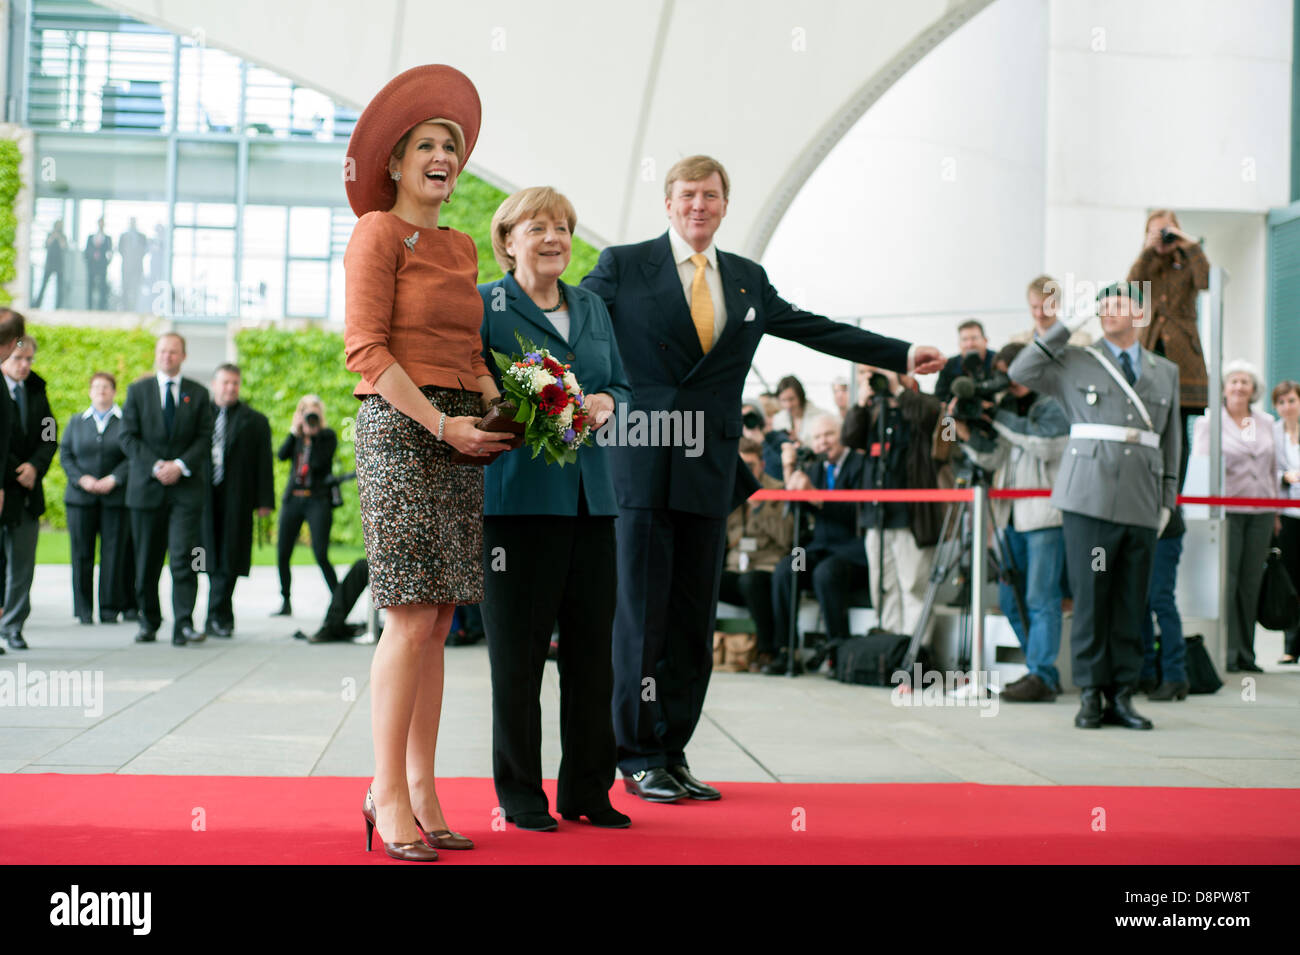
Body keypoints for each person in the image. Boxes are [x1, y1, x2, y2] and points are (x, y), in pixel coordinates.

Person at [582, 153, 943, 802]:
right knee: (643, 614)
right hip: (639, 459)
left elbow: (813, 329)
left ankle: (672, 746)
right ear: (667, 203)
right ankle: (634, 753)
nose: (699, 205)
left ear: (724, 206)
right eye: (688, 194)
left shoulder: (747, 279)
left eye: (712, 195)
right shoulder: (623, 265)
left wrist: (898, 356)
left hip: (707, 466)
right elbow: (575, 322)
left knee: (695, 617)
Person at [343, 63, 512, 861]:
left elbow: (468, 349)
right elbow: (367, 351)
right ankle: (385, 791)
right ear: (396, 163)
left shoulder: (461, 243)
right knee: (409, 614)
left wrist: (501, 398)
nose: (443, 154)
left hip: (458, 433)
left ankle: (423, 789)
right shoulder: (378, 232)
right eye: (426, 145)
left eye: (451, 145)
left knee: (439, 622)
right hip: (401, 431)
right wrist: (445, 425)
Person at [478, 185, 632, 832]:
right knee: (517, 658)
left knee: (595, 656)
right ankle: (520, 795)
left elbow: (619, 381)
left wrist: (606, 403)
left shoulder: (593, 305)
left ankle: (590, 790)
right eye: (538, 226)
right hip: (518, 504)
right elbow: (467, 382)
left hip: (593, 501)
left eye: (564, 227)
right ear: (508, 238)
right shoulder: (486, 305)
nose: (554, 238)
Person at [1008, 282, 1180, 731]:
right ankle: (1089, 693)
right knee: (1090, 598)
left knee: (1130, 601)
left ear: (1140, 314)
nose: (1108, 310)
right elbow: (1023, 368)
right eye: (1103, 304)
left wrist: (1167, 500)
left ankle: (1122, 694)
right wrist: (1067, 323)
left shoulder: (1165, 371)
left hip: (1142, 501)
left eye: (1119, 303)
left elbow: (1171, 443)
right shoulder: (1076, 359)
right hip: (1088, 497)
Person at [955, 343, 1070, 702]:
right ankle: (1042, 672)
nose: (1011, 381)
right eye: (1005, 373)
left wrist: (997, 419)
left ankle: (1041, 673)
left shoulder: (1054, 404)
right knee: (1010, 600)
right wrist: (966, 434)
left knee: (1041, 598)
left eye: (1017, 371)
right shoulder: (1005, 408)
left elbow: (1046, 445)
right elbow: (993, 459)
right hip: (1009, 518)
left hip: (1044, 517)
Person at [119, 332, 213, 647]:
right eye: (162, 351)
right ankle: (148, 621)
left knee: (183, 558)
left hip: (186, 491)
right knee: (146, 560)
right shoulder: (137, 391)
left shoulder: (199, 394)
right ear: (156, 354)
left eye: (173, 352)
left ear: (183, 356)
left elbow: (204, 437)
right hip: (146, 489)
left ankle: (184, 624)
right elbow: (128, 437)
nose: (167, 356)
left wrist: (180, 465)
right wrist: (156, 465)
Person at [842, 365, 942, 640]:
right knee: (882, 586)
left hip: (910, 515)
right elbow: (849, 438)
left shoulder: (923, 403)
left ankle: (916, 652)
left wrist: (897, 388)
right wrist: (861, 403)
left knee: (913, 586)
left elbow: (932, 418)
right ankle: (890, 645)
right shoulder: (874, 410)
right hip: (876, 515)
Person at [1192, 361, 1278, 673]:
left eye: (1245, 382)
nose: (1239, 387)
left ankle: (1247, 654)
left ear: (1254, 390)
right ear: (1224, 388)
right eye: (1233, 381)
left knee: (1251, 583)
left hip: (1262, 512)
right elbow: (1201, 466)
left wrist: (1277, 511)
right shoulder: (1210, 423)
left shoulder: (1266, 421)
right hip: (1227, 513)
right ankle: (1227, 653)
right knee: (1227, 582)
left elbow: (1273, 467)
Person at [768, 413, 869, 675]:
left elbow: (858, 513)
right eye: (817, 438)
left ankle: (839, 652)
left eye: (829, 435)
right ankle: (787, 651)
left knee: (826, 573)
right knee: (786, 569)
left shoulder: (861, 464)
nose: (823, 442)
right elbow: (793, 511)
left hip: (852, 548)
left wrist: (815, 495)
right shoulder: (813, 468)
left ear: (842, 435)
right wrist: (789, 471)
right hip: (818, 547)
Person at [1128, 209, 1210, 490]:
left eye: (1168, 230)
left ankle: (1174, 492)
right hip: (1150, 351)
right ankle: (1145, 488)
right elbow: (1130, 290)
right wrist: (1148, 250)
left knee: (1178, 428)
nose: (1164, 236)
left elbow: (1206, 281)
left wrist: (1188, 245)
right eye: (1157, 231)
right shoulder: (1148, 264)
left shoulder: (1188, 261)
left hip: (1183, 357)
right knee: (1148, 422)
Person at [202, 364, 274, 637]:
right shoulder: (200, 415)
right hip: (206, 499)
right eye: (225, 382)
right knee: (208, 557)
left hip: (238, 499)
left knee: (230, 557)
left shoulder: (255, 421)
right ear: (214, 384)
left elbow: (264, 464)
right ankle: (220, 616)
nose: (230, 388)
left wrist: (264, 500)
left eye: (235, 383)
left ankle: (217, 616)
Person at [61, 372, 135, 625]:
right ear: (89, 392)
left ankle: (109, 608)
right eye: (96, 387)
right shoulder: (76, 422)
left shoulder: (125, 422)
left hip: (115, 498)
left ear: (114, 392)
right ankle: (83, 610)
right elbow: (66, 455)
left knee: (113, 554)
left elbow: (132, 456)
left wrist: (114, 479)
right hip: (81, 499)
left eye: (106, 387)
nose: (101, 391)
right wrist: (83, 480)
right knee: (81, 554)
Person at [0, 337, 55, 651]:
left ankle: (13, 626)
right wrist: (14, 468)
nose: (24, 365)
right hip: (5, 484)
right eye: (19, 358)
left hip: (28, 492)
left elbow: (49, 432)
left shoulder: (37, 390)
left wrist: (34, 466)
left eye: (30, 359)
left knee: (22, 564)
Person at [720, 438, 792, 670]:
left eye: (751, 466)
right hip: (736, 568)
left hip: (766, 569)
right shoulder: (729, 488)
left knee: (752, 582)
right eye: (742, 466)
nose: (747, 471)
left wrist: (759, 505)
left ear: (762, 464)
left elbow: (787, 537)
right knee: (702, 578)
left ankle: (767, 649)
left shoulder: (778, 490)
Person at [273, 395, 338, 616]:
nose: (310, 418)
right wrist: (295, 431)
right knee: (283, 552)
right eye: (306, 413)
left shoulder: (327, 436)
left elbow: (320, 464)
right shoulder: (297, 437)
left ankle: (338, 599)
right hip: (293, 498)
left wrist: (314, 437)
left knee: (320, 553)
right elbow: (281, 456)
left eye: (314, 413)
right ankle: (285, 601)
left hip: (317, 499)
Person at [1272, 380, 1300, 664]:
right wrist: (1284, 477)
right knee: (1290, 579)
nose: (1287, 406)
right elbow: (1268, 469)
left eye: (1291, 400)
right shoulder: (1272, 433)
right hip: (1288, 515)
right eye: (1281, 402)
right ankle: (1291, 644)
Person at [935, 319, 995, 403]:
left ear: (985, 340)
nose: (969, 344)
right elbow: (940, 396)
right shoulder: (949, 364)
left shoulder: (997, 361)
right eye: (965, 339)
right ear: (959, 344)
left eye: (974, 338)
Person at [770, 375, 833, 445]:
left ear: (800, 397)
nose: (788, 405)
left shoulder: (821, 416)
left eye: (791, 399)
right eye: (783, 400)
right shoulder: (778, 419)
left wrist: (802, 444)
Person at [119, 217, 148, 311]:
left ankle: (135, 308)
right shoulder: (123, 236)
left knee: (136, 288)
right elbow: (120, 250)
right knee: (125, 288)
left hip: (138, 267)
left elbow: (145, 250)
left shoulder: (142, 236)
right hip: (126, 267)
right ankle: (125, 308)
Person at [37, 220, 67, 309]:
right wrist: (53, 236)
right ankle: (37, 304)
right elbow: (46, 245)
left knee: (59, 287)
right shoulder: (50, 235)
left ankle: (59, 306)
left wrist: (59, 238)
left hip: (59, 264)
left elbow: (64, 247)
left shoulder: (63, 236)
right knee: (44, 284)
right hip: (50, 263)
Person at [84, 218, 113, 310]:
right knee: (90, 286)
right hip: (92, 265)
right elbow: (87, 251)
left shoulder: (108, 238)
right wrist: (92, 256)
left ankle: (102, 307)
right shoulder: (91, 237)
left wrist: (107, 262)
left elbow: (110, 252)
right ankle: (89, 307)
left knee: (102, 287)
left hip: (102, 266)